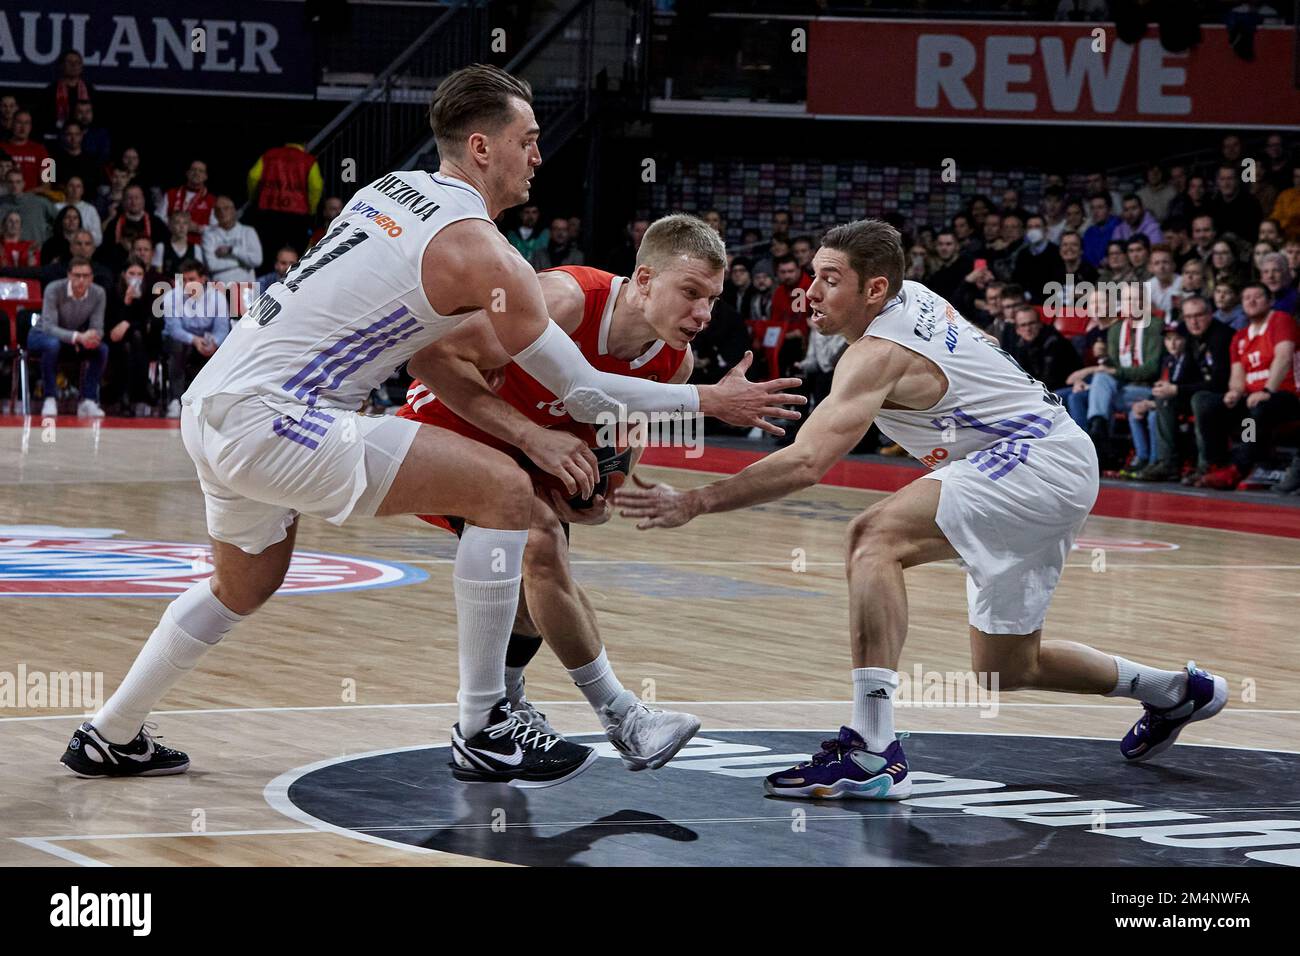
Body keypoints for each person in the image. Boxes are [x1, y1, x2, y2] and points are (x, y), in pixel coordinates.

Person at [60, 63, 802, 784]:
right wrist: (711, 404)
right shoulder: (487, 254)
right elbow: (578, 392)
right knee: (508, 495)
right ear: (481, 147)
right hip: (280, 415)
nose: (539, 156)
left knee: (245, 581)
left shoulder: (388, 189)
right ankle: (484, 727)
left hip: (218, 399)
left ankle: (111, 733)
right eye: (528, 139)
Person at [615, 218, 1226, 799]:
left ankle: (873, 751)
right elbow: (982, 347)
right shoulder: (918, 296)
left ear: (875, 288)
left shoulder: (875, 355)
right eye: (813, 276)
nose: (811, 293)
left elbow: (806, 463)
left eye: (830, 279)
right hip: (1049, 457)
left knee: (871, 539)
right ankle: (1175, 691)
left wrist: (695, 501)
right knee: (1008, 667)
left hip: (1034, 458)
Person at [399, 225, 721, 768]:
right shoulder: (566, 300)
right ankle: (625, 718)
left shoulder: (675, 363)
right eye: (691, 293)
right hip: (446, 427)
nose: (704, 313)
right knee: (542, 542)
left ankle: (498, 712)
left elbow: (624, 438)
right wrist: (529, 436)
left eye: (713, 299)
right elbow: (430, 358)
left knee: (539, 592)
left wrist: (601, 492)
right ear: (644, 279)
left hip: (529, 453)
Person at [1191, 282, 1299, 490]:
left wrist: (1267, 390)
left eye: (1257, 296)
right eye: (1246, 297)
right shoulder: (1240, 336)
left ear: (1270, 301)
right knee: (1205, 402)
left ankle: (1239, 467)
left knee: (1255, 411)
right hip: (1253, 398)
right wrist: (1235, 392)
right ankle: (1217, 463)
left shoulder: (1280, 320)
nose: (1251, 301)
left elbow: (1284, 358)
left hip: (1287, 395)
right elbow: (1237, 375)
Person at [1135, 296, 1233, 482]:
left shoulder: (1221, 337)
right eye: (1188, 317)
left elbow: (1220, 382)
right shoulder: (1190, 338)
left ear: (1210, 314)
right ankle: (1168, 463)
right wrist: (1170, 388)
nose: (1194, 321)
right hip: (1199, 392)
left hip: (1227, 396)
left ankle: (1207, 465)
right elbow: (1183, 377)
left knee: (1200, 400)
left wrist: (1178, 389)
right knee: (1164, 398)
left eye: (1199, 315)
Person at [28, 257, 108, 418]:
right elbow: (49, 327)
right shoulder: (54, 289)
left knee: (102, 349)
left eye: (86, 276)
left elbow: (98, 328)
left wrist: (92, 337)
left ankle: (88, 400)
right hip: (40, 335)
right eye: (77, 275)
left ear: (92, 277)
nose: (81, 280)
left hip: (71, 338)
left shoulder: (98, 293)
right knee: (52, 345)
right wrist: (79, 337)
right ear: (69, 276)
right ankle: (49, 397)